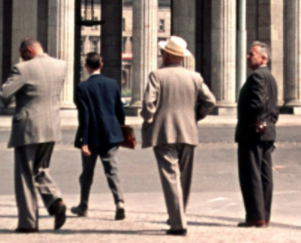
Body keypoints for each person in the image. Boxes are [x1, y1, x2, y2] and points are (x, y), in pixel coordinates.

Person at [140, 36, 217, 237]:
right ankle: (179, 215)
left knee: (170, 178)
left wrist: (149, 122)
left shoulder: (156, 76)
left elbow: (149, 104)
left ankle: (178, 222)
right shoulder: (195, 77)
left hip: (164, 133)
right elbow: (210, 101)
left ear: (166, 54)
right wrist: (196, 116)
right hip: (189, 132)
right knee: (184, 178)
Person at [0, 37, 69, 233]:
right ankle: (56, 201)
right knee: (40, 170)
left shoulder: (22, 69)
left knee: (25, 176)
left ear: (28, 52)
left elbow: (4, 95)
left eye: (23, 55)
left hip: (28, 127)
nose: (22, 59)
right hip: (51, 126)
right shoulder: (60, 66)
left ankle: (28, 223)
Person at [71, 52, 127, 220]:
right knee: (112, 170)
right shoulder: (112, 84)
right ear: (101, 65)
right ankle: (119, 202)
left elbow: (85, 116)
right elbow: (119, 110)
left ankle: (83, 205)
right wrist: (121, 130)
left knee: (87, 173)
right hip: (111, 134)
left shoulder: (82, 87)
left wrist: (84, 141)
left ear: (87, 67)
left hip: (92, 136)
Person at [235, 41, 279, 228]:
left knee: (251, 174)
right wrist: (269, 123)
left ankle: (255, 216)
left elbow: (258, 104)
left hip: (252, 133)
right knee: (264, 175)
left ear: (263, 58)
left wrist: (252, 121)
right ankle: (264, 215)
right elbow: (274, 109)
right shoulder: (270, 77)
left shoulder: (257, 77)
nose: (247, 57)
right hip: (266, 133)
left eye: (251, 54)